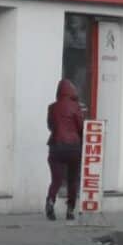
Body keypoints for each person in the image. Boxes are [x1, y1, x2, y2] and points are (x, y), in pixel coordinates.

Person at [46, 79, 85, 221]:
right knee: (72, 180)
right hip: (73, 148)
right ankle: (70, 210)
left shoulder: (52, 107)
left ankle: (50, 201)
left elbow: (50, 126)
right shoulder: (76, 107)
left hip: (56, 146)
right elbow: (81, 127)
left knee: (56, 179)